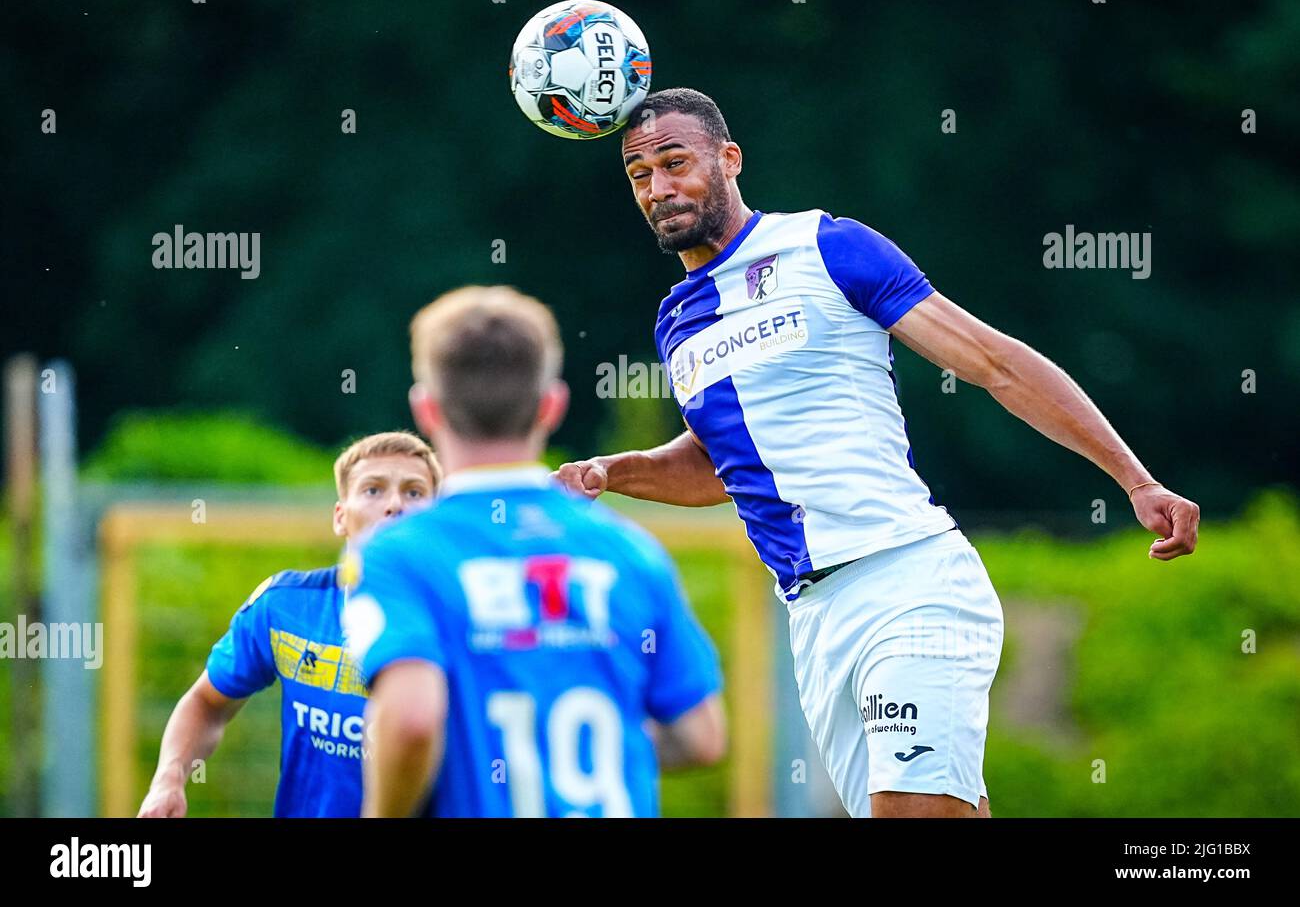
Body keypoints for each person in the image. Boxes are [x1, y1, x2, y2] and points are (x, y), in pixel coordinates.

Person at [553, 87, 1200, 819]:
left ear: (730, 159)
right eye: (640, 175)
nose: (659, 188)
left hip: (906, 578)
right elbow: (721, 466)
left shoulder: (827, 247)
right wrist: (611, 472)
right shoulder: (678, 320)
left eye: (676, 163)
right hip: (814, 616)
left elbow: (993, 362)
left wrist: (1135, 479)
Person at [343, 285, 725, 817]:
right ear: (553, 405)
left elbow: (411, 719)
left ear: (425, 410)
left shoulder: (397, 554)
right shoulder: (629, 550)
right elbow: (701, 735)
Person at [137, 431, 441, 818]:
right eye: (373, 490)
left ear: (436, 518)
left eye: (414, 493)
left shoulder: (465, 617)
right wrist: (169, 778)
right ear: (340, 517)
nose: (395, 504)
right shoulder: (285, 607)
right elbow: (207, 704)